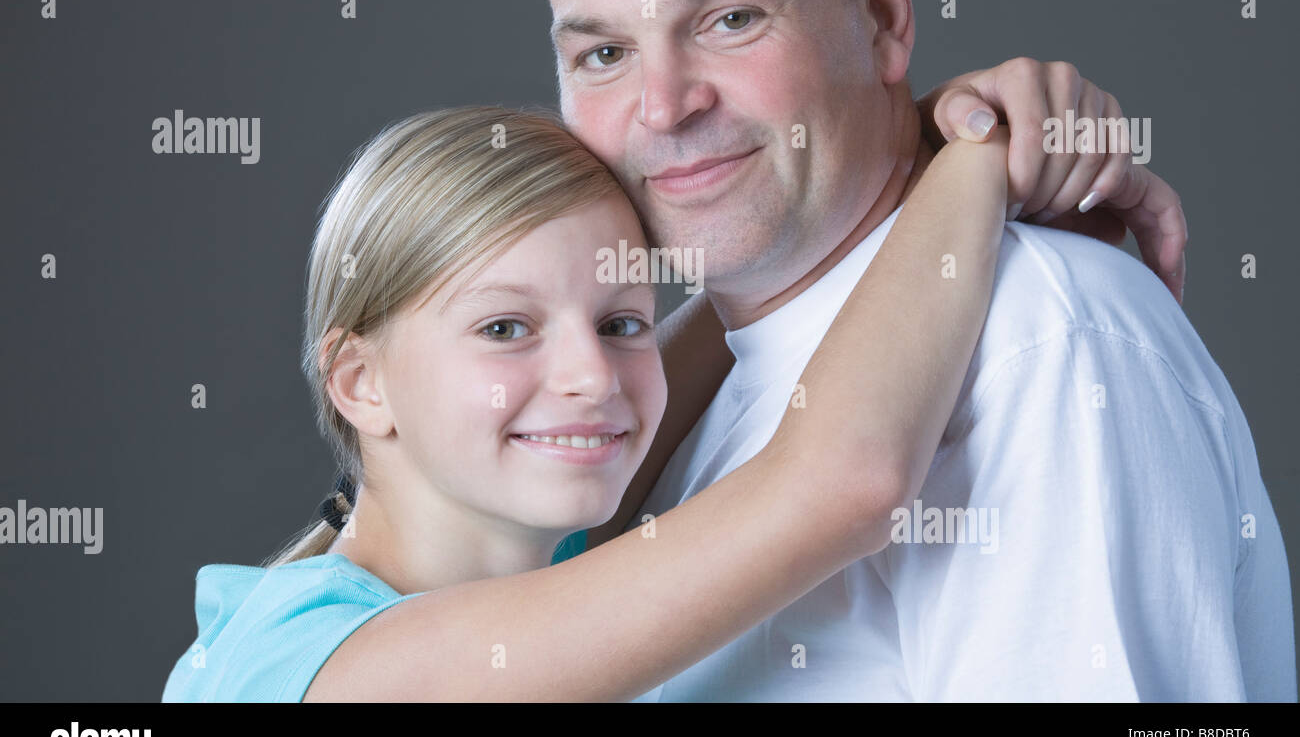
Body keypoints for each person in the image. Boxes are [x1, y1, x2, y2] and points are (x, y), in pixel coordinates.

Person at [534, 0, 1295, 700]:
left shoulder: (1037, 344)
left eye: (730, 19)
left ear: (882, 12)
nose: (665, 106)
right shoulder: (653, 412)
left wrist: (961, 151)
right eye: (604, 53)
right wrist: (961, 145)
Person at [163, 102, 1066, 701]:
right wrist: (982, 154)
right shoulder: (316, 672)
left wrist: (899, 146)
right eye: (505, 329)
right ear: (363, 383)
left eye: (623, 322)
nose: (590, 376)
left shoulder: (544, 552)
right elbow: (841, 483)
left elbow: (738, 314)